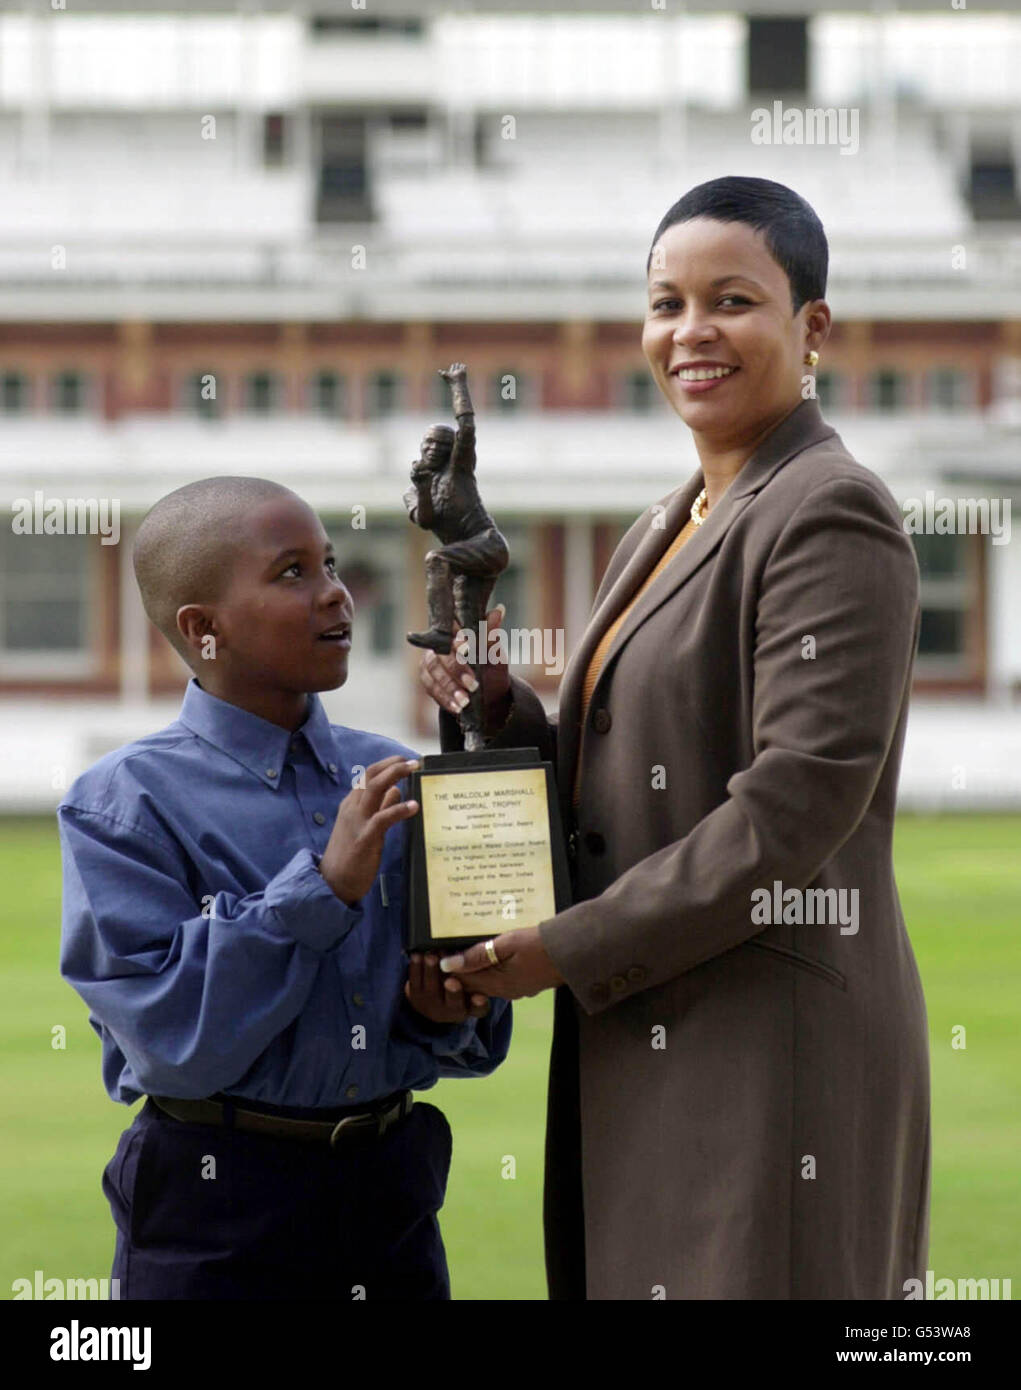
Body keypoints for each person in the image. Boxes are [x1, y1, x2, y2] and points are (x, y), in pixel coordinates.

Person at [418, 176, 931, 1300]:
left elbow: (791, 804)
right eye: (664, 304)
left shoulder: (828, 509)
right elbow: (621, 772)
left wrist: (572, 946)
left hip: (762, 1051)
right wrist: (502, 713)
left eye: (731, 300)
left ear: (812, 327)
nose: (689, 333)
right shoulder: (667, 520)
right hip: (656, 1030)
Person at [58, 475, 510, 1301]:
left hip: (391, 1202)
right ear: (203, 629)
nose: (336, 592)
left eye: (331, 563)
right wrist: (324, 889)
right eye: (292, 573)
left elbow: (461, 1017)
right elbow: (169, 1040)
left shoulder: (393, 773)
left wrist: (441, 1009)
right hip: (213, 1209)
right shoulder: (123, 805)